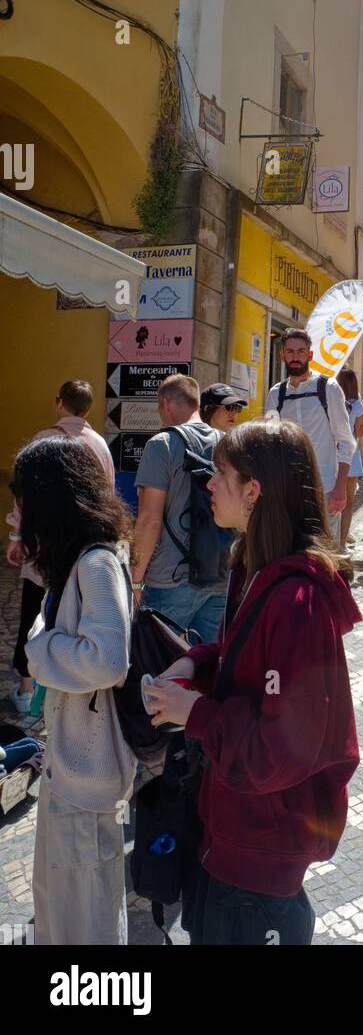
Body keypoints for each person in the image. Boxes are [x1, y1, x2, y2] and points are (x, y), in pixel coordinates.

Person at [144, 418, 361, 947]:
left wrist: (192, 713)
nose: (209, 485)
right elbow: (243, 655)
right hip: (234, 829)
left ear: (255, 491)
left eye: (220, 474)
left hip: (261, 852)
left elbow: (279, 750)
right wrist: (195, 662)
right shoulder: (254, 567)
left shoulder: (298, 603)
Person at [13, 436, 134, 945]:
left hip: (88, 772)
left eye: (21, 499)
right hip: (71, 766)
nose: (15, 511)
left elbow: (108, 660)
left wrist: (38, 649)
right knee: (65, 900)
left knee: (86, 912)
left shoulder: (95, 563)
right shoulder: (75, 560)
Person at [5, 379, 114, 715]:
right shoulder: (99, 445)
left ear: (59, 403)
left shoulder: (42, 441)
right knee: (75, 613)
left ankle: (26, 688)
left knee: (33, 611)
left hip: (44, 545)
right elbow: (108, 496)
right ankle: (67, 689)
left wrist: (16, 537)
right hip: (82, 548)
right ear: (88, 408)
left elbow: (24, 497)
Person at [133, 374, 225, 642]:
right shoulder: (226, 443)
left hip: (171, 576)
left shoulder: (161, 445)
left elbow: (150, 519)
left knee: (158, 663)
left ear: (165, 403)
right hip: (219, 573)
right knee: (205, 664)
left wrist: (135, 581)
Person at [263, 330, 355, 546]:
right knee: (292, 551)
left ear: (310, 355)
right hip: (289, 490)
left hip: (325, 488)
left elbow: (346, 442)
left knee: (326, 553)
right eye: (290, 352)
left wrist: (341, 487)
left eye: (301, 351)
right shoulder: (276, 394)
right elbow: (270, 440)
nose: (296, 357)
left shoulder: (328, 388)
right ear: (282, 355)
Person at [337, 367, 363, 550]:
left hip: (334, 455)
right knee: (347, 503)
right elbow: (359, 432)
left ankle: (331, 539)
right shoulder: (358, 405)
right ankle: (342, 544)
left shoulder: (333, 401)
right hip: (352, 456)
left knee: (333, 500)